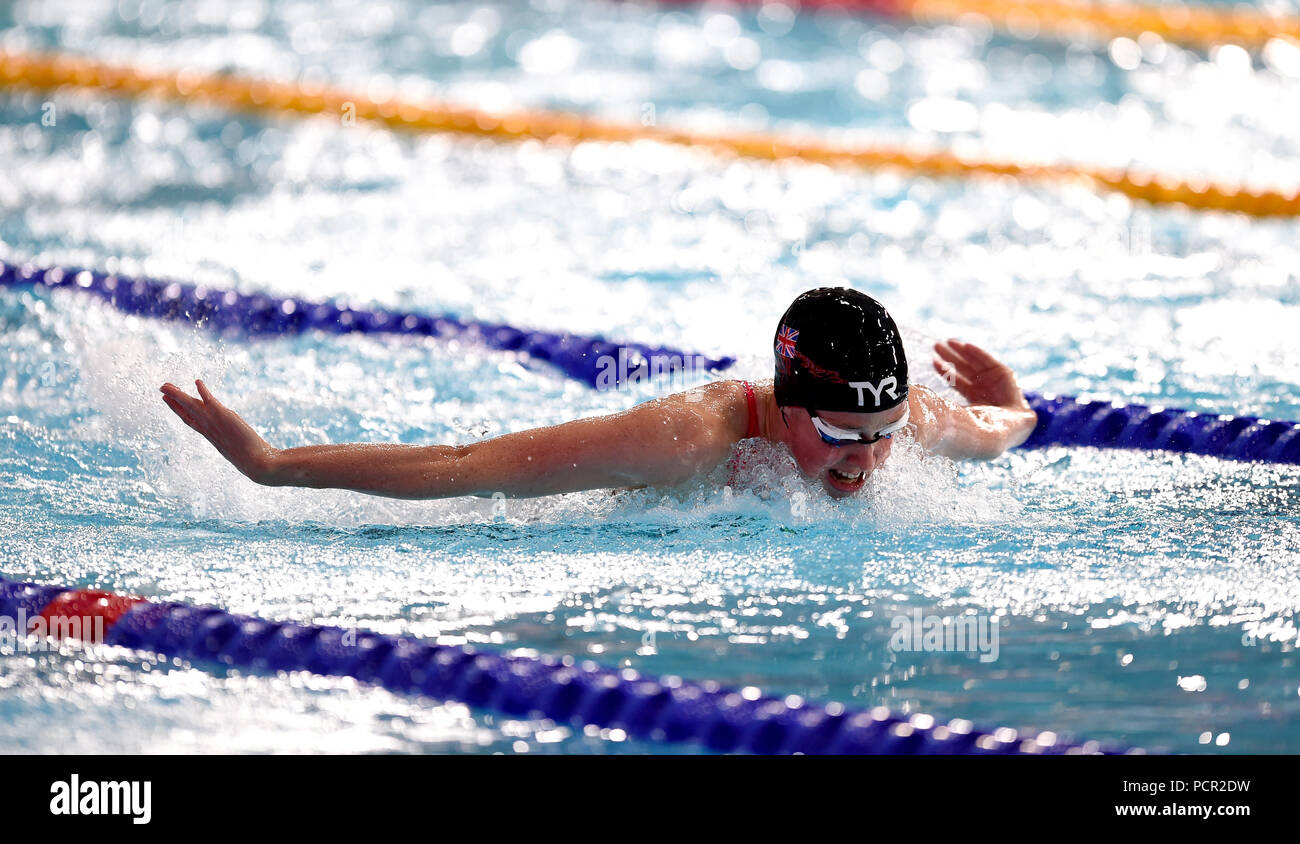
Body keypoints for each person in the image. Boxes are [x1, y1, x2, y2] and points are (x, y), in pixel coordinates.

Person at [160, 288, 1037, 501]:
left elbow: (994, 431)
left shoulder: (894, 418)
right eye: (847, 435)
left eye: (886, 433)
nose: (872, 459)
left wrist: (1014, 405)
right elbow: (471, 466)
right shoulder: (687, 440)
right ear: (787, 399)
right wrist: (273, 465)